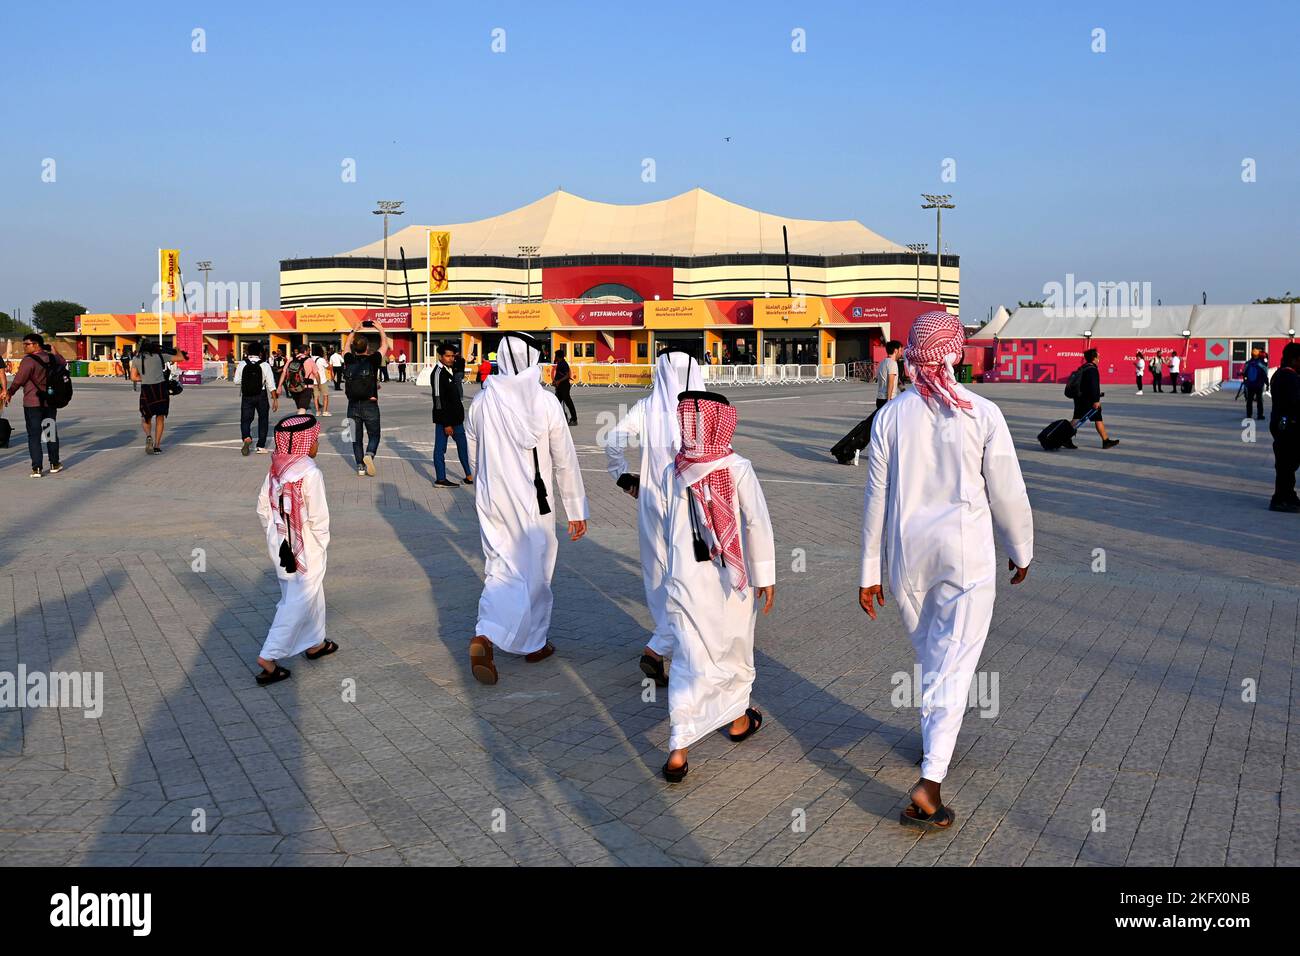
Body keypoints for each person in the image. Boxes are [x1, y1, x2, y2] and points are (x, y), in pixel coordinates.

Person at [859, 311, 1033, 830]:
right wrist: (1020, 549)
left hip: (907, 560)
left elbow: (875, 498)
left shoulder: (890, 417)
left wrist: (869, 570)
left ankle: (933, 738)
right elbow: (1007, 490)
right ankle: (930, 782)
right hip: (966, 559)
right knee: (952, 666)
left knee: (934, 656)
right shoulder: (982, 413)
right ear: (955, 353)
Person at [660, 391, 775, 782]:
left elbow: (662, 528)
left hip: (684, 582)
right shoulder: (737, 466)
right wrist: (766, 576)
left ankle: (679, 748)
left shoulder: (672, 470)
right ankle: (739, 719)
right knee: (734, 650)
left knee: (689, 660)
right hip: (731, 581)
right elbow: (757, 521)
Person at [465, 331, 588, 686]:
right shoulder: (546, 403)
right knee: (535, 569)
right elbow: (564, 459)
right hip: (534, 503)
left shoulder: (482, 402)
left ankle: (502, 637)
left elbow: (473, 455)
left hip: (491, 500)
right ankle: (516, 640)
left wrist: (485, 484)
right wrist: (576, 507)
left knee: (500, 566)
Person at [601, 350, 706, 686]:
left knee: (657, 572)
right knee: (691, 574)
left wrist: (624, 477)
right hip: (688, 504)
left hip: (649, 500)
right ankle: (666, 648)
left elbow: (613, 440)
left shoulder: (647, 406)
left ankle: (664, 645)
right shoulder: (702, 409)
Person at [254, 415, 338, 685]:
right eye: (314, 440)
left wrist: (275, 535)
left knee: (308, 593)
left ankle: (315, 642)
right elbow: (319, 518)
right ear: (302, 443)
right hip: (306, 547)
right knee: (297, 599)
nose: (316, 444)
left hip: (280, 545)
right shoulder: (310, 472)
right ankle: (269, 656)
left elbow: (262, 509)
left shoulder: (276, 467)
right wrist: (320, 546)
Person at [2, 333, 64, 477]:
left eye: (27, 344)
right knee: (50, 433)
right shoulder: (52, 358)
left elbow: (19, 380)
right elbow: (63, 363)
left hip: (33, 404)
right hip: (50, 402)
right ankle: (55, 463)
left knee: (34, 435)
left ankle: (37, 468)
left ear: (36, 345)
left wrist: (10, 392)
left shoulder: (28, 361)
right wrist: (54, 351)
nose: (24, 346)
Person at [342, 319, 388, 477]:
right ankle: (370, 454)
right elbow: (384, 346)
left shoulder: (348, 359)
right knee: (374, 435)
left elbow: (345, 347)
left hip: (352, 405)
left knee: (356, 438)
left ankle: (360, 467)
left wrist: (354, 330)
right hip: (370, 403)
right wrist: (380, 329)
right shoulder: (373, 360)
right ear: (367, 348)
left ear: (354, 348)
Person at [132, 338, 187, 454]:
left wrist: (145, 378)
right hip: (161, 389)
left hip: (147, 389)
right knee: (160, 417)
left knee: (146, 416)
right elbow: (181, 358)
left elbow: (133, 377)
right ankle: (157, 446)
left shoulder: (136, 359)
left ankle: (148, 436)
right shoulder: (160, 356)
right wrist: (177, 349)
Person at [431, 344, 473, 488]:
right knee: (440, 449)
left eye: (452, 356)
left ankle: (469, 475)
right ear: (440, 356)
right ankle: (440, 479)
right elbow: (438, 400)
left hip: (457, 420)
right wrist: (446, 423)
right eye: (448, 356)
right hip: (445, 421)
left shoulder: (450, 370)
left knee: (463, 447)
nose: (451, 359)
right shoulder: (437, 373)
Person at [1267, 342, 1300, 513]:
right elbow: (1294, 403)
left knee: (1287, 464)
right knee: (1286, 464)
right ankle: (1281, 498)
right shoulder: (1289, 377)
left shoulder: (1281, 374)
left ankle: (1288, 495)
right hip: (1288, 426)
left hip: (1282, 424)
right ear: (1294, 360)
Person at [1070, 349, 1120, 449]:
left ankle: (1064, 437)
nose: (1099, 357)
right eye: (1098, 356)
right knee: (1097, 418)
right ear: (1094, 358)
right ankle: (1105, 441)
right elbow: (1094, 386)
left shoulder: (1084, 367)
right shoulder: (1092, 369)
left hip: (1080, 398)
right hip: (1089, 400)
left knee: (1078, 418)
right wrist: (1096, 400)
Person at [236, 341, 279, 456]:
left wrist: (247, 382)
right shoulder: (264, 365)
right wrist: (275, 399)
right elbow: (271, 384)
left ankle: (246, 437)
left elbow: (236, 381)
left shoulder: (242, 364)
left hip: (247, 395)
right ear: (260, 353)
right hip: (261, 395)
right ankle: (260, 446)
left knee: (245, 419)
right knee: (263, 419)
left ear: (248, 352)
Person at [278, 344, 315, 415]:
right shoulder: (309, 360)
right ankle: (300, 424)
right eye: (308, 350)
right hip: (306, 387)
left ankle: (300, 421)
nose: (309, 352)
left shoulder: (291, 359)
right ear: (305, 351)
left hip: (293, 386)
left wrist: (279, 386)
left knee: (299, 407)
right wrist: (318, 384)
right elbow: (316, 374)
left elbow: (284, 372)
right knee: (302, 408)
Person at [552, 347, 577, 426]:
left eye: (555, 356)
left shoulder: (564, 364)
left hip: (564, 386)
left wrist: (558, 381)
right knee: (556, 403)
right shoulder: (559, 363)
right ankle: (561, 417)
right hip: (559, 386)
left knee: (568, 402)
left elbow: (567, 375)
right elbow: (558, 374)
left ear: (558, 356)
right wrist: (555, 381)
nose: (555, 357)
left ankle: (574, 419)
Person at [1244, 347, 1269, 421]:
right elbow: (1264, 375)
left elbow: (1245, 374)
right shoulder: (1261, 364)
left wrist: (1246, 382)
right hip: (1259, 385)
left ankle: (1249, 415)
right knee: (1259, 400)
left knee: (1249, 400)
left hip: (1250, 384)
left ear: (1251, 354)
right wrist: (1267, 383)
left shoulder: (1248, 363)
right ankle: (1260, 415)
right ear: (1259, 355)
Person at [875, 339, 901, 409]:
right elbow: (890, 382)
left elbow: (879, 378)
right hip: (888, 399)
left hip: (880, 398)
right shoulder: (892, 363)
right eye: (900, 350)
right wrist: (889, 400)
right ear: (896, 351)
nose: (901, 353)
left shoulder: (882, 362)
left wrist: (903, 390)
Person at [311, 344, 331, 417]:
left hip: (314, 381)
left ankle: (318, 411)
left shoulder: (311, 359)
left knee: (316, 397)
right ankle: (325, 411)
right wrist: (326, 360)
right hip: (322, 380)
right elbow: (328, 367)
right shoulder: (321, 360)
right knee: (325, 396)